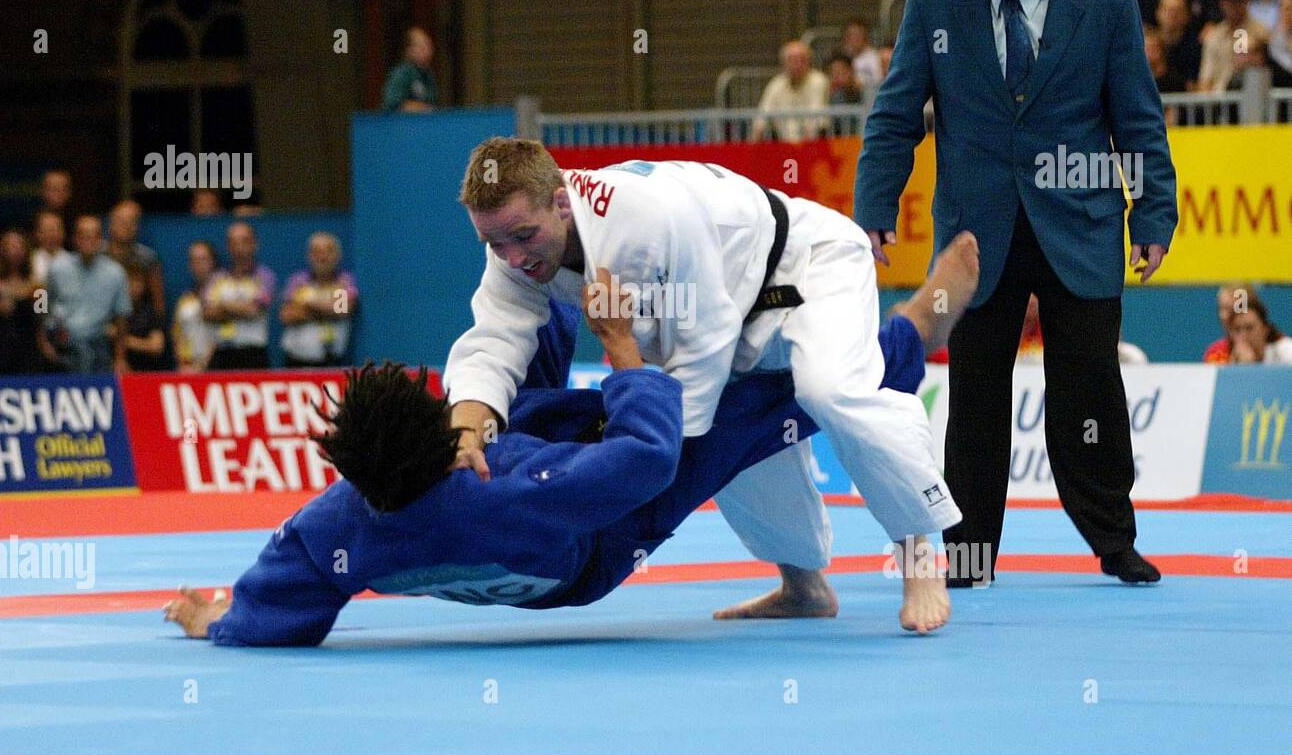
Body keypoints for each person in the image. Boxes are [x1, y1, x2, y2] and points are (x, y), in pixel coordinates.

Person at [164, 251, 974, 646]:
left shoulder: (339, 522)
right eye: (444, 424)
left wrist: (214, 618)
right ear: (445, 457)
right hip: (594, 540)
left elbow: (264, 610)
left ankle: (545, 292)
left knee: (522, 341)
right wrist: (620, 341)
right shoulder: (503, 489)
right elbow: (647, 454)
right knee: (757, 408)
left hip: (523, 506)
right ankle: (916, 327)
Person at [444, 139, 981, 631]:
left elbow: (703, 345)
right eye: (493, 243)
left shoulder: (643, 223)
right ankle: (805, 586)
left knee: (828, 390)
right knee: (735, 454)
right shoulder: (515, 255)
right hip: (731, 308)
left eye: (523, 236)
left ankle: (917, 557)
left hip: (803, 269)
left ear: (561, 203)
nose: (514, 257)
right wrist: (467, 431)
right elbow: (493, 341)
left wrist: (651, 458)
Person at [855, 0, 1178, 587]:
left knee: (1090, 394)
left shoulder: (1107, 6)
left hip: (1083, 228)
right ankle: (968, 554)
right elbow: (894, 118)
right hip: (977, 237)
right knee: (973, 402)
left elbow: (1138, 124)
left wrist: (1152, 210)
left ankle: (1114, 540)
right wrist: (874, 208)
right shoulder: (933, 6)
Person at [39, 216, 130, 374]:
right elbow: (41, 304)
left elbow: (122, 318)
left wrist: (120, 358)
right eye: (83, 236)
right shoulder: (57, 268)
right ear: (75, 239)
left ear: (101, 239)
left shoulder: (116, 273)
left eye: (93, 236)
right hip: (63, 344)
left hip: (99, 346)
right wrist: (43, 341)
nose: (88, 241)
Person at [202, 222, 275, 370]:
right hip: (222, 353)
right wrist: (241, 308)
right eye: (233, 242)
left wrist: (223, 305)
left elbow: (254, 311)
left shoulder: (265, 276)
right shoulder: (216, 278)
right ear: (228, 246)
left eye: (244, 241)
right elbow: (208, 314)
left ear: (255, 244)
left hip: (253, 354)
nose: (239, 248)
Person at [279, 232, 359, 368]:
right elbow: (287, 316)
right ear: (309, 255)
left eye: (328, 251)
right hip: (296, 360)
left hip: (331, 361)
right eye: (316, 252)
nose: (322, 257)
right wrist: (327, 310)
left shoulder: (344, 282)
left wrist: (307, 304)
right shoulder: (298, 281)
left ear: (338, 255)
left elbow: (341, 311)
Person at [751, 40, 830, 142]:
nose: (797, 64)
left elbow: (815, 120)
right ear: (783, 63)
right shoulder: (776, 84)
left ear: (809, 62)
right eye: (792, 60)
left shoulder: (818, 80)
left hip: (814, 144)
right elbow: (761, 119)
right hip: (784, 145)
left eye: (802, 59)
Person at [106, 199, 166, 322]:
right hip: (102, 324)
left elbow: (158, 302)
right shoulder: (98, 255)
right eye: (121, 221)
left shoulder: (148, 258)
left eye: (132, 221)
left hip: (138, 324)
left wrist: (158, 329)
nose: (127, 226)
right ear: (111, 224)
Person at [0, 228, 42, 374]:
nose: (14, 251)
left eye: (19, 246)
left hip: (29, 351)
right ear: (1, 250)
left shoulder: (37, 285)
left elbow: (42, 316)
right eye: (9, 246)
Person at [172, 241, 218, 372]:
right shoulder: (184, 299)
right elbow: (177, 333)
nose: (199, 265)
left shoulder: (222, 296)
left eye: (203, 259)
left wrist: (202, 365)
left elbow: (222, 336)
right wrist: (182, 363)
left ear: (213, 261)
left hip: (215, 366)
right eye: (194, 260)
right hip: (186, 367)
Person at [381, 26, 440, 113]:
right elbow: (393, 104)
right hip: (400, 124)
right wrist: (423, 108)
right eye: (420, 46)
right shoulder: (401, 74)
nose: (425, 49)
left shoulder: (428, 75)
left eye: (428, 45)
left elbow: (433, 103)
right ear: (408, 50)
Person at [1227, 290, 1292, 363]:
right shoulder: (1226, 356)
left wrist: (1248, 367)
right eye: (1237, 329)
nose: (1243, 335)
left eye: (1249, 328)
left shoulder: (1287, 351)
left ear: (1265, 330)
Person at [121, 266, 166, 371]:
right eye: (130, 282)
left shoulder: (151, 312)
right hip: (116, 373)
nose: (134, 287)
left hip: (146, 372)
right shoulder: (114, 313)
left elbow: (156, 347)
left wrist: (123, 339)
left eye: (138, 282)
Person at [30, 210, 68, 285]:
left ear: (63, 233)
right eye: (45, 229)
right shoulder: (28, 262)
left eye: (54, 229)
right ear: (37, 233)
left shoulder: (74, 262)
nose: (50, 234)